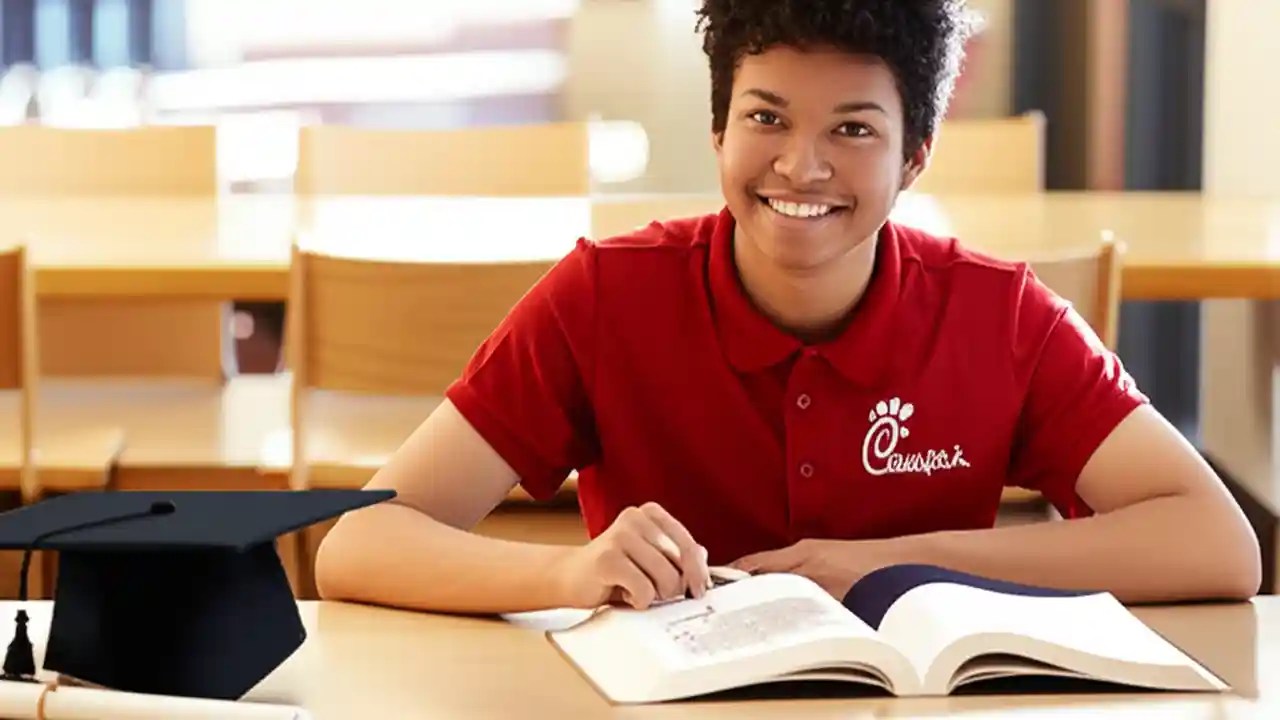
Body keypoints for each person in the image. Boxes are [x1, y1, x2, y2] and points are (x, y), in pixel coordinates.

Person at [315, 0, 1261, 614]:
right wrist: (565, 572)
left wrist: (899, 562)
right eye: (766, 117)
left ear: (916, 156)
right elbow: (357, 540)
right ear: (719, 127)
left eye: (853, 129)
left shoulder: (1004, 314)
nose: (801, 167)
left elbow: (1219, 543)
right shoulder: (605, 296)